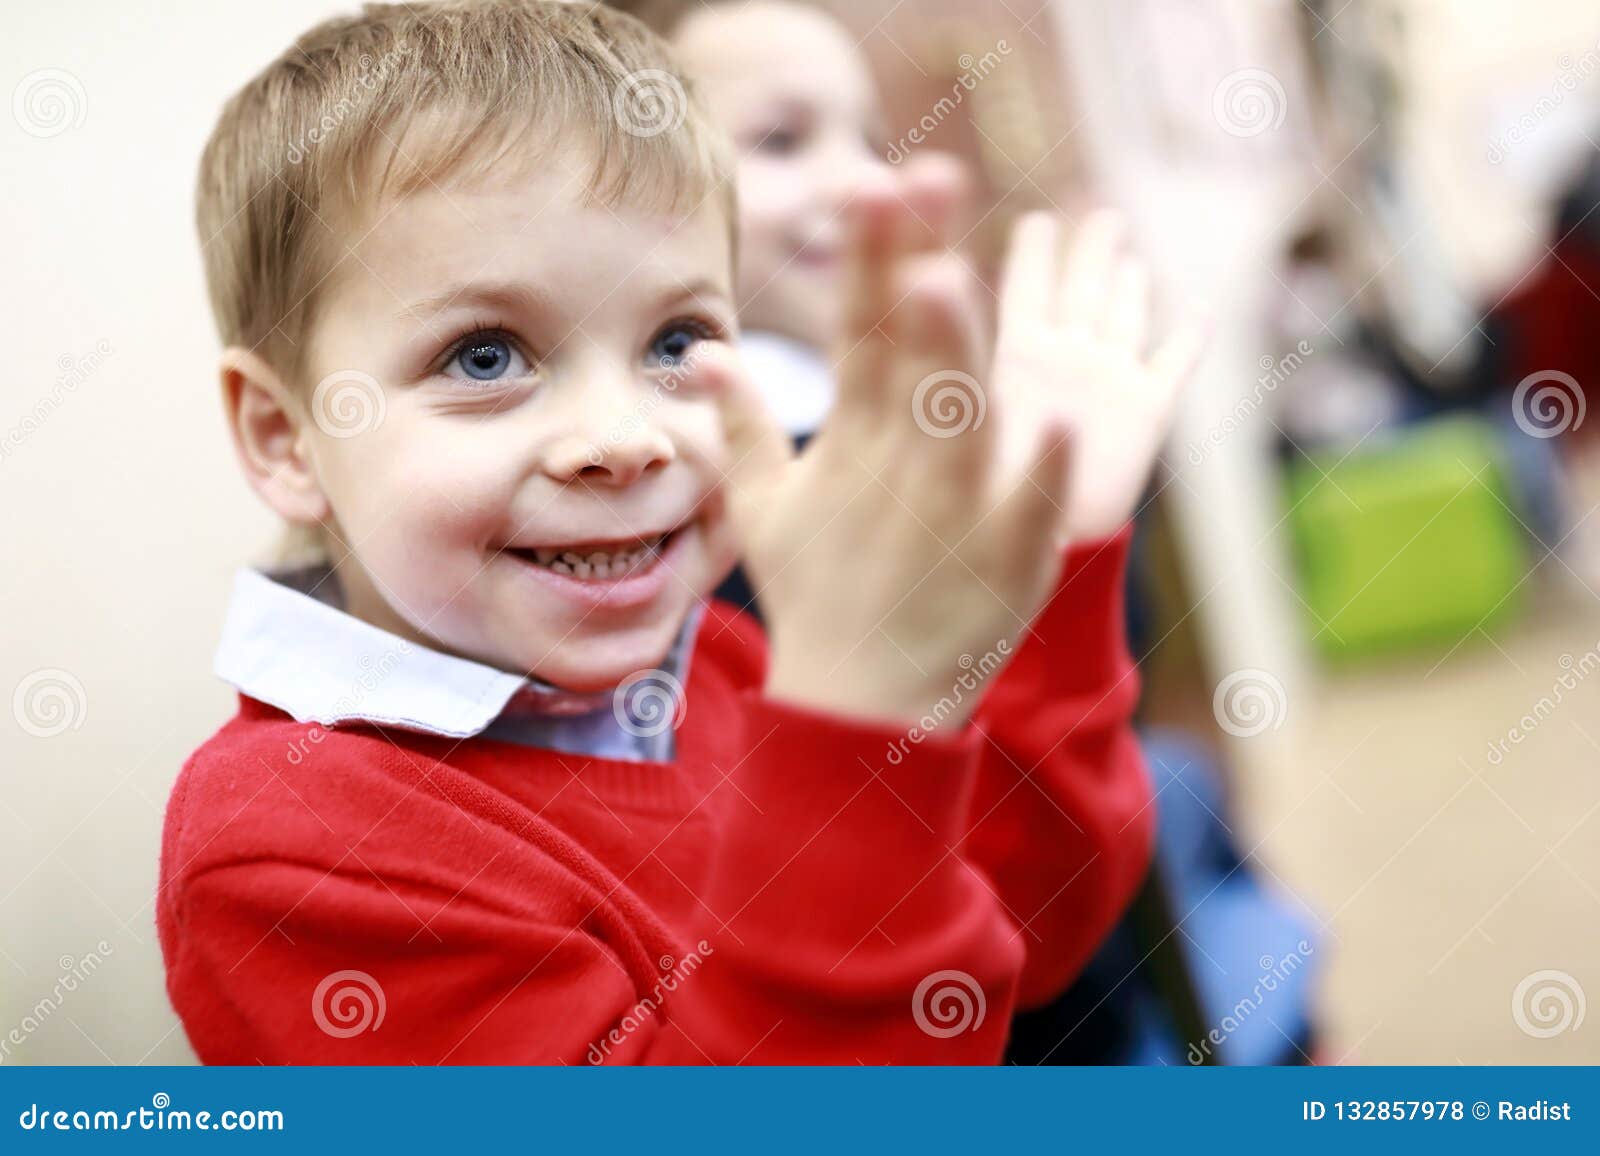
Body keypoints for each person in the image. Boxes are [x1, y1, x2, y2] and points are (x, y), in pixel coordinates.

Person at [158, 0, 1193, 1063]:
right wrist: (846, 719)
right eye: (483, 355)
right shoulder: (288, 852)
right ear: (287, 436)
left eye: (675, 340)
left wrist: (1065, 550)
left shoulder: (712, 660)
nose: (624, 437)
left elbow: (1023, 929)